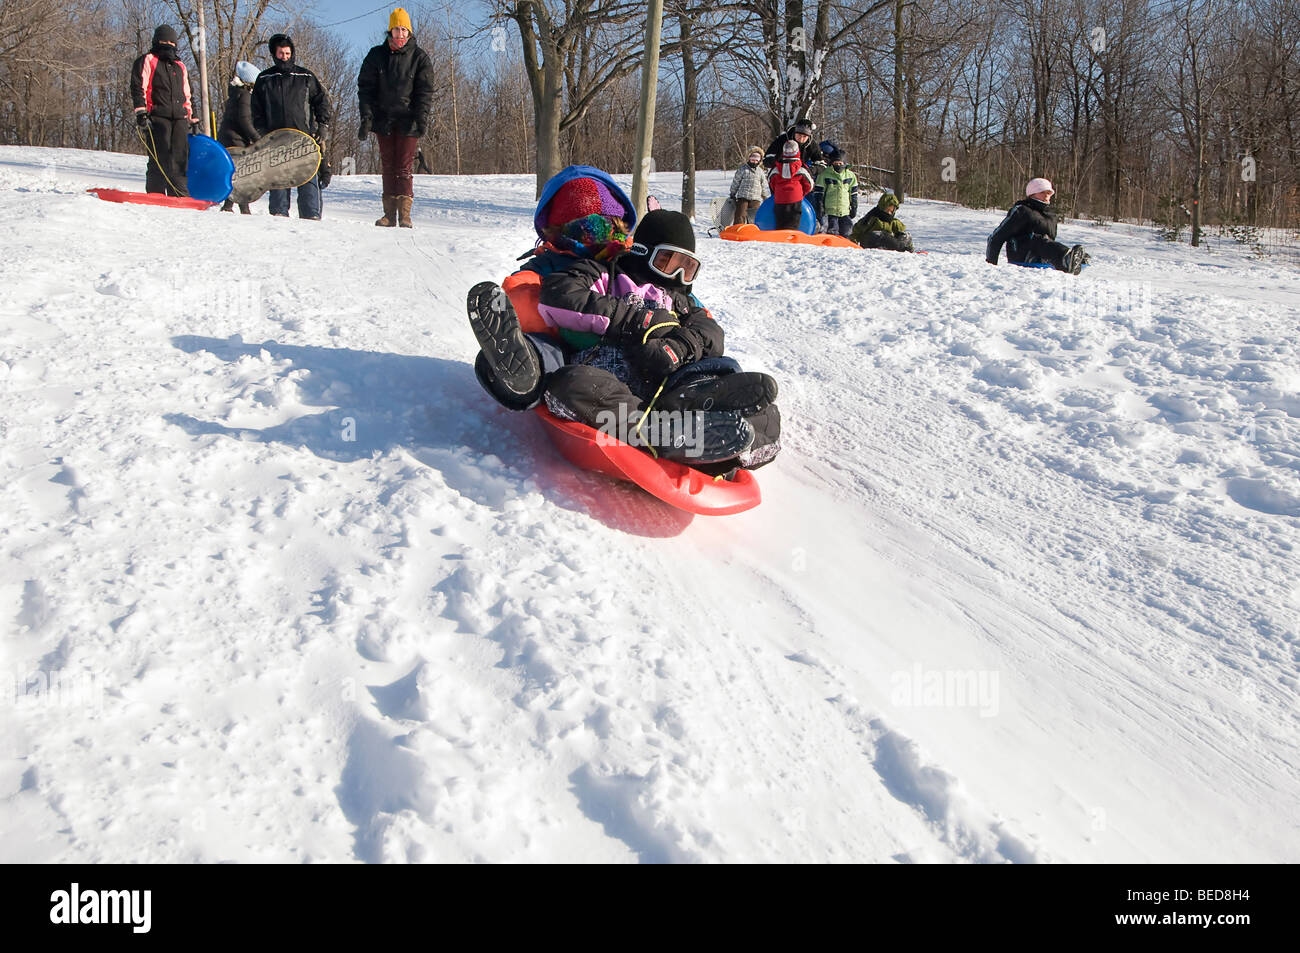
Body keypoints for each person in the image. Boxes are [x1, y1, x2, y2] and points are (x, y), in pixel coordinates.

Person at [467, 169, 780, 472]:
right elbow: (559, 295)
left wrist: (683, 344)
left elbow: (710, 331)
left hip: (670, 384)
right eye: (667, 261)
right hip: (608, 374)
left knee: (756, 403)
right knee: (571, 382)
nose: (676, 274)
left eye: (686, 267)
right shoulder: (605, 273)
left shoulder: (678, 297)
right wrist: (641, 319)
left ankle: (730, 441)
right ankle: (653, 431)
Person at [357, 8, 434, 228]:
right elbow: (365, 88)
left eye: (403, 29)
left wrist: (421, 118)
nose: (399, 34)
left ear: (408, 32)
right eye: (395, 29)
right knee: (388, 165)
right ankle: (389, 215)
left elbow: (424, 91)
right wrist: (366, 117)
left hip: (408, 119)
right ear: (389, 31)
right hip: (383, 119)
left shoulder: (419, 58)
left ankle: (405, 215)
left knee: (404, 167)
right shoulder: (376, 55)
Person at [251, 33, 332, 220]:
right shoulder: (264, 79)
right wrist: (263, 132)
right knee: (279, 181)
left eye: (288, 53)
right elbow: (256, 110)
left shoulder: (305, 76)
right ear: (274, 54)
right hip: (276, 139)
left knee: (307, 179)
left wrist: (322, 126)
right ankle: (278, 216)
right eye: (281, 53)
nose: (285, 57)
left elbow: (321, 102)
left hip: (303, 138)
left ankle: (311, 216)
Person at [130, 25, 196, 197]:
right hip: (157, 116)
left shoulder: (179, 66)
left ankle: (179, 194)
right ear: (156, 41)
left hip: (179, 118)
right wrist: (141, 112)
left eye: (171, 42)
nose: (167, 45)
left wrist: (190, 116)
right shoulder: (147, 60)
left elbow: (187, 92)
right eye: (164, 41)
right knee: (160, 158)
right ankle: (156, 193)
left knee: (180, 158)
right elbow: (138, 87)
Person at [986, 177, 1088, 273]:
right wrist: (991, 265)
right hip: (1022, 254)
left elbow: (1050, 242)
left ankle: (1071, 259)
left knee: (1045, 240)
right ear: (1032, 194)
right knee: (1037, 239)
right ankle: (1066, 259)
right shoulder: (1022, 210)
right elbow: (996, 237)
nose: (1046, 195)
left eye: (1049, 193)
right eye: (1042, 192)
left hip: (1041, 257)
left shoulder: (1050, 216)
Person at [217, 60, 261, 213]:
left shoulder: (235, 94)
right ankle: (237, 206)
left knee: (235, 173)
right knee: (240, 174)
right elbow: (245, 121)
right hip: (235, 140)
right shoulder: (244, 97)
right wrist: (257, 138)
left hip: (227, 138)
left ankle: (234, 205)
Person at [767, 140, 814, 231]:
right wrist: (802, 193)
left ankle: (780, 239)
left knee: (780, 223)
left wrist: (776, 191)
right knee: (793, 223)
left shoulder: (776, 168)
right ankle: (792, 240)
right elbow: (809, 184)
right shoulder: (801, 168)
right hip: (795, 199)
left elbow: (771, 182)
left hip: (779, 199)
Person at [812, 145, 858, 237]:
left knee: (847, 232)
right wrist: (819, 207)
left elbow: (853, 193)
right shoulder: (824, 175)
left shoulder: (850, 176)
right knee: (832, 232)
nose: (838, 165)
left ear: (844, 163)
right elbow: (819, 193)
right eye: (835, 163)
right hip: (830, 212)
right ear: (831, 163)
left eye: (840, 163)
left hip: (845, 211)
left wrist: (854, 206)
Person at [728, 146, 768, 226]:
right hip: (743, 196)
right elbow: (736, 181)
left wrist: (764, 196)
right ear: (749, 158)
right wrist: (732, 193)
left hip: (755, 198)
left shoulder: (760, 172)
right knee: (740, 214)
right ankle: (737, 228)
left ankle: (753, 229)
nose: (754, 162)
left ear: (759, 161)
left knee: (754, 215)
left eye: (756, 160)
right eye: (752, 159)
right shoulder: (743, 169)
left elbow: (763, 185)